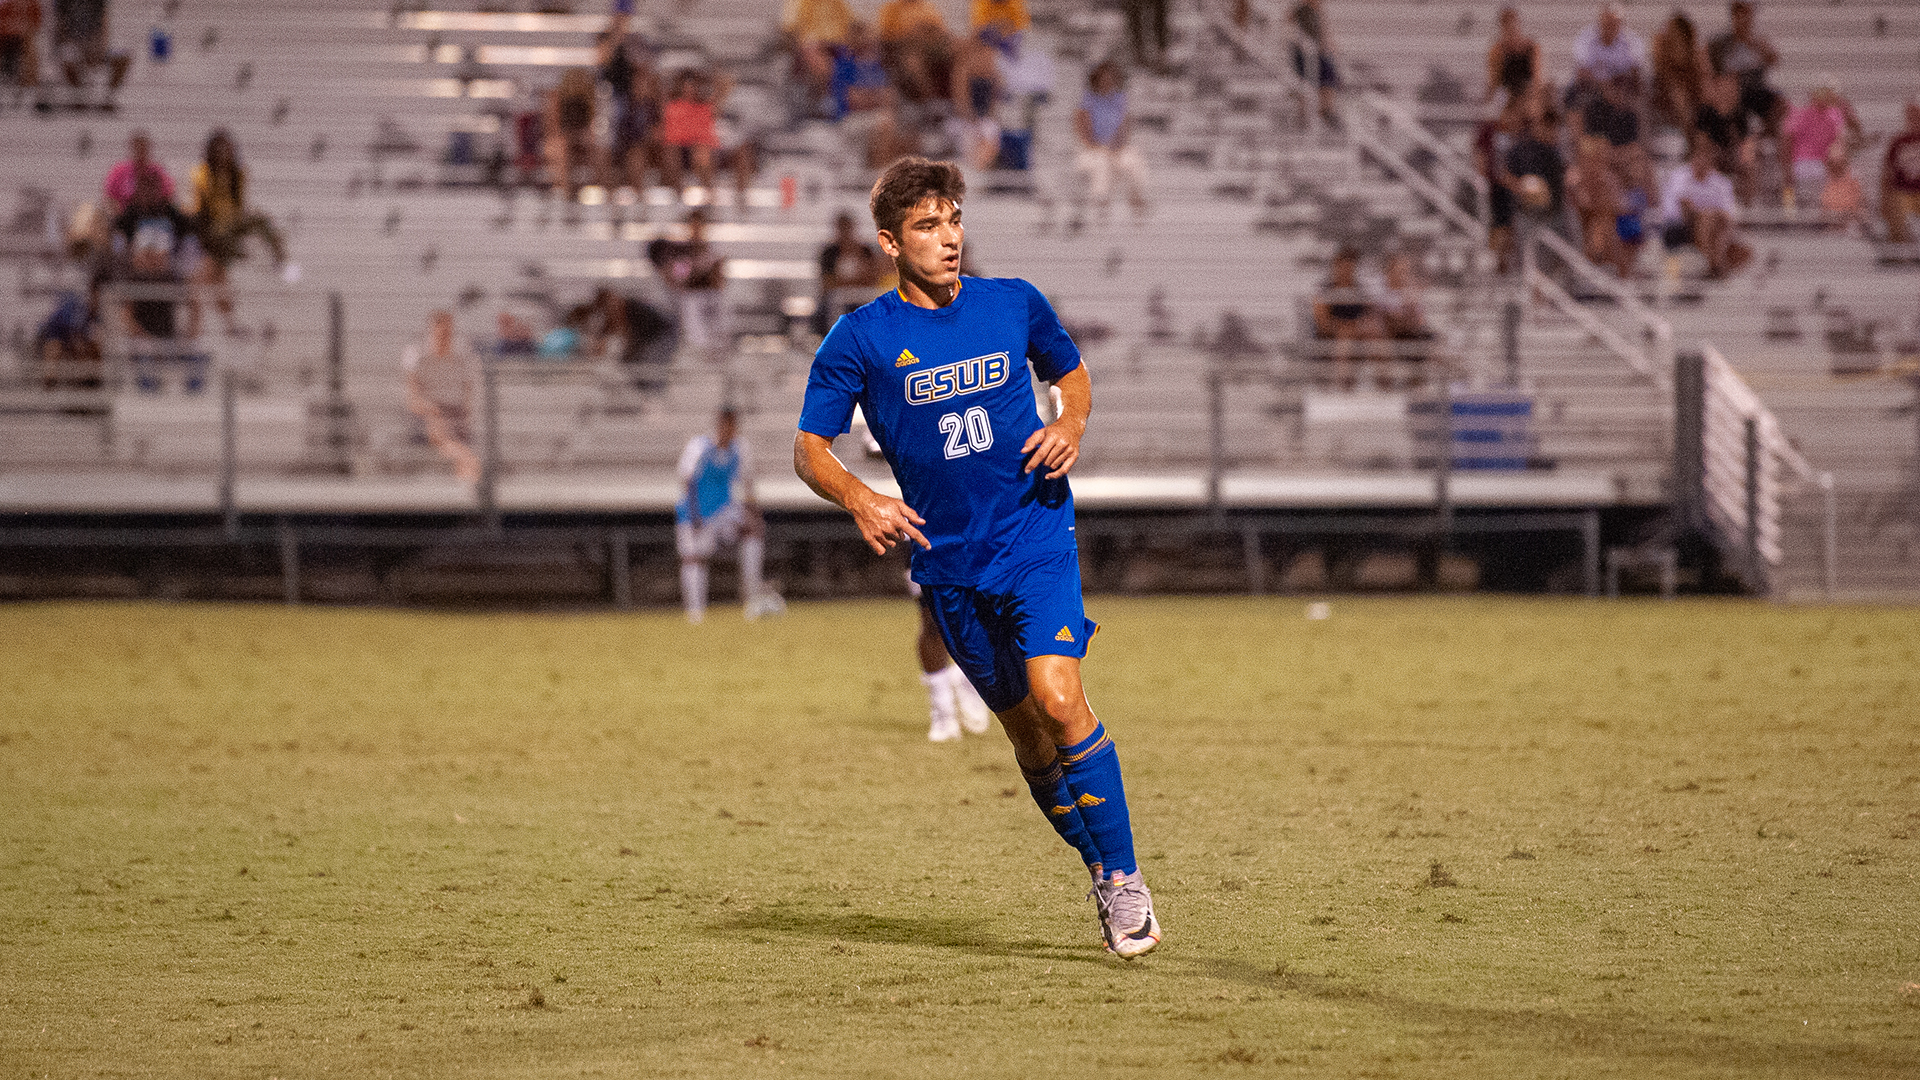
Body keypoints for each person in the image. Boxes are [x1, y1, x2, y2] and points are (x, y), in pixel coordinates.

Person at [794, 157, 1162, 959]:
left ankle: (1128, 880)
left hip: (1035, 540)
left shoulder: (1013, 302)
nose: (949, 238)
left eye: (954, 219)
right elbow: (808, 450)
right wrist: (861, 497)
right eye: (928, 226)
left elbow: (1071, 372)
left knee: (1059, 696)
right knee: (1030, 740)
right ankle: (1102, 874)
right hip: (948, 566)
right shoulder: (860, 337)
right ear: (891, 244)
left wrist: (1073, 423)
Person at [677, 406, 780, 623]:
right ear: (719, 424)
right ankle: (695, 613)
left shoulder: (739, 448)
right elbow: (687, 480)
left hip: (723, 510)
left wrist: (754, 513)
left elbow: (747, 483)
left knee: (753, 530)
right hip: (696, 513)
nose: (729, 429)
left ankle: (751, 598)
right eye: (725, 424)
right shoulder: (699, 447)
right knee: (694, 559)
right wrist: (695, 515)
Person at [110, 169, 202, 393]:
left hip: (168, 340)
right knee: (142, 356)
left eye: (158, 251)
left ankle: (192, 402)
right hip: (145, 344)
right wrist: (147, 342)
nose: (153, 256)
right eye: (148, 252)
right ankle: (148, 394)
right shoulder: (133, 277)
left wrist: (187, 338)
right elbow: (126, 316)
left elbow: (194, 305)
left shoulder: (173, 276)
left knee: (198, 355)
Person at [189, 129, 288, 336]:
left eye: (227, 149)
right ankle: (225, 327)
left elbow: (240, 206)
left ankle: (279, 255)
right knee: (210, 280)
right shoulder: (202, 174)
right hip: (214, 229)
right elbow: (201, 209)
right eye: (219, 149)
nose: (224, 153)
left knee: (261, 220)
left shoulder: (238, 174)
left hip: (232, 226)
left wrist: (241, 226)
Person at [910, 576, 993, 741]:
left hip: (985, 551)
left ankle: (969, 677)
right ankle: (943, 713)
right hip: (929, 552)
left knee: (988, 615)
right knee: (932, 618)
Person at [402, 311, 481, 481]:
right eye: (439, 334)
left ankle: (467, 475)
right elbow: (412, 399)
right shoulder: (416, 354)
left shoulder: (462, 355)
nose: (444, 339)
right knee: (436, 422)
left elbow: (468, 396)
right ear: (430, 333)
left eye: (447, 334)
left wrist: (463, 415)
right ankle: (468, 461)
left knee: (454, 434)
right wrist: (430, 409)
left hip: (455, 413)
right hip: (426, 416)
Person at [1071, 60, 1149, 230]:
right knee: (1101, 162)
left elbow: (1125, 128)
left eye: (1110, 77)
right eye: (1103, 78)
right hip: (1092, 148)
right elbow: (1082, 130)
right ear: (1096, 79)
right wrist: (1097, 147)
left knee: (1133, 160)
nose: (1107, 81)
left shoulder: (1120, 99)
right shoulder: (1088, 99)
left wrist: (1117, 146)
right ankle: (1101, 204)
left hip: (1115, 147)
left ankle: (1137, 200)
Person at [646, 208, 727, 360]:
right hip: (689, 297)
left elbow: (719, 282)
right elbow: (679, 280)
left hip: (712, 295)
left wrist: (709, 272)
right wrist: (695, 272)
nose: (696, 229)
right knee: (690, 304)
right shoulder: (681, 251)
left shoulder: (713, 250)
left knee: (721, 304)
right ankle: (698, 348)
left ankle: (719, 347)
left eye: (699, 225)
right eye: (693, 225)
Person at [1660, 140, 1747, 279]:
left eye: (1706, 157)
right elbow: (1682, 205)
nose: (1701, 161)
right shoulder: (1680, 177)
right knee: (1708, 217)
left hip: (1713, 225)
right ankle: (1715, 264)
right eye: (1698, 156)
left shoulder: (1721, 182)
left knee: (1717, 221)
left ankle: (1713, 263)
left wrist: (1711, 214)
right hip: (1681, 225)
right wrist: (1706, 213)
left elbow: (1728, 213)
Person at [1706, 1, 1783, 138]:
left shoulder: (1757, 42)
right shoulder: (1721, 44)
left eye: (1746, 14)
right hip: (1730, 89)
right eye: (1738, 14)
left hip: (1754, 89)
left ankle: (1763, 137)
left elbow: (1773, 59)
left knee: (1778, 102)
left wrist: (1753, 43)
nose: (1742, 19)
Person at [1781, 78, 1860, 210]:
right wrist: (1787, 166)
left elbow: (1848, 136)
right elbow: (1787, 139)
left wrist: (1846, 110)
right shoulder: (1801, 113)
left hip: (1823, 165)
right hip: (1804, 163)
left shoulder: (1834, 114)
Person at [1312, 246, 1383, 388]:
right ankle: (1345, 387)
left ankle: (1384, 384)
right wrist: (1345, 328)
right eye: (1343, 266)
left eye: (1350, 266)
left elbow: (1370, 316)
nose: (1347, 270)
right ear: (1336, 267)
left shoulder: (1360, 291)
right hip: (1333, 338)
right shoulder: (1325, 291)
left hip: (1357, 335)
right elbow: (1323, 323)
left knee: (1377, 338)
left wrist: (1359, 328)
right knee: (1345, 341)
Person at [543, 67, 613, 198]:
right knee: (562, 150)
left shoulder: (588, 100)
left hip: (581, 139)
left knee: (600, 153)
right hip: (561, 141)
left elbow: (592, 128)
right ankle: (566, 194)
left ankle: (604, 194)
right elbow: (553, 129)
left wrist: (583, 138)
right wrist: (570, 138)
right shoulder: (557, 99)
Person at [818, 209, 888, 330]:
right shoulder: (829, 253)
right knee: (834, 302)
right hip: (837, 296)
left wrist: (849, 282)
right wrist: (852, 282)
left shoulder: (865, 251)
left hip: (863, 294)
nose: (846, 233)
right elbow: (828, 282)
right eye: (842, 229)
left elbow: (873, 278)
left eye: (848, 228)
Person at [1694, 73, 1754, 205]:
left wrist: (1744, 159)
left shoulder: (1739, 113)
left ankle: (1747, 206)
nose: (1729, 89)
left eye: (1733, 86)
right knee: (1710, 160)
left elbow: (1746, 141)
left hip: (1732, 153)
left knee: (1749, 166)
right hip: (1713, 154)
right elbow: (1701, 141)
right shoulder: (1706, 111)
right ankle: (1712, 203)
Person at [947, 32, 1002, 170]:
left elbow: (993, 103)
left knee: (989, 131)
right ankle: (975, 167)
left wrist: (984, 120)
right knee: (975, 134)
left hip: (984, 118)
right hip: (964, 119)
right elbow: (960, 102)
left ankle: (984, 167)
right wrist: (973, 121)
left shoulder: (994, 72)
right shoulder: (962, 70)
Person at [1570, 4, 1648, 99]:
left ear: (1621, 24)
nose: (1610, 27)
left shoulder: (1632, 41)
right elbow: (1582, 71)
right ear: (1600, 21)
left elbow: (1635, 71)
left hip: (1620, 89)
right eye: (1607, 23)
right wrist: (1605, 88)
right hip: (1593, 86)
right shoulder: (1585, 38)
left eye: (1614, 23)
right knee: (1575, 92)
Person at [1649, 10, 1705, 131]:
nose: (1676, 43)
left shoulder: (1695, 68)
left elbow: (1701, 98)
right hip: (1665, 124)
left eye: (1680, 38)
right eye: (1672, 37)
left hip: (1694, 123)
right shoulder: (1663, 66)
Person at [1289, 0, 1338, 124]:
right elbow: (1289, 25)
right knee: (1306, 81)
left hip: (1316, 52)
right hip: (1305, 52)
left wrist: (1327, 45)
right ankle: (1306, 112)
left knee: (1328, 78)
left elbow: (1323, 32)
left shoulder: (1317, 12)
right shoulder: (1301, 10)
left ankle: (1325, 110)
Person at [103, 131, 175, 211]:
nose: (140, 152)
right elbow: (110, 197)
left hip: (152, 213)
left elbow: (168, 194)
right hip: (125, 214)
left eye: (143, 148)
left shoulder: (157, 171)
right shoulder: (119, 171)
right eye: (137, 148)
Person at [1880, 100, 1920, 244]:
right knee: (1897, 207)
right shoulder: (1898, 142)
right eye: (1912, 115)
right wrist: (1883, 201)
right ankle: (1898, 253)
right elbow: (1886, 173)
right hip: (1903, 192)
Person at [1483, 6, 1539, 105]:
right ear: (1502, 27)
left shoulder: (1531, 47)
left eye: (1513, 24)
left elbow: (1537, 78)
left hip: (1527, 91)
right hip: (1506, 92)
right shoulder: (1497, 49)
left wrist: (1533, 95)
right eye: (1506, 25)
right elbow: (1494, 80)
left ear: (1518, 24)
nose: (1511, 28)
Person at [1818, 147, 1865, 229]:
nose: (1836, 165)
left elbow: (1860, 205)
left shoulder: (1853, 179)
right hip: (1830, 223)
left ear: (1844, 163)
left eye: (1839, 162)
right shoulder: (1824, 180)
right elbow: (1822, 209)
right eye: (1832, 162)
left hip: (1849, 222)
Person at [0, 0, 41, 89]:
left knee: (25, 62)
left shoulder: (29, 2)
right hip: (6, 37)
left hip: (20, 37)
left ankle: (25, 85)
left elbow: (36, 21)